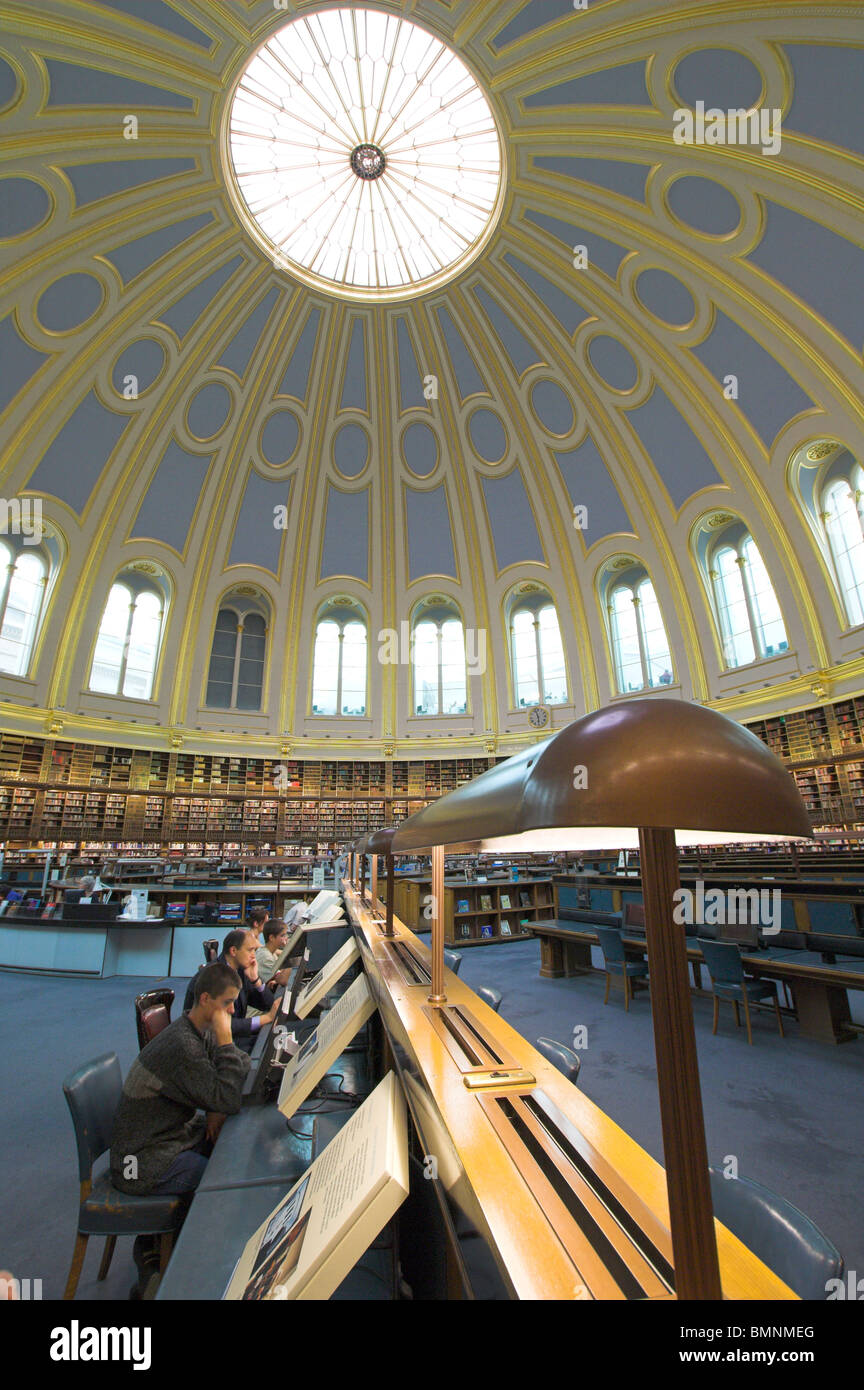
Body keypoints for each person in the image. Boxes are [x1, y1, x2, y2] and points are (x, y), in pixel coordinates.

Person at [183, 929, 288, 1051]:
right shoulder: (215, 976)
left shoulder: (240, 970)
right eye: (250, 950)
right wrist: (266, 1018)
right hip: (207, 1044)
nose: (254, 955)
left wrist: (256, 980)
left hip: (232, 1036)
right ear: (233, 951)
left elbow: (268, 1004)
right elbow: (220, 1024)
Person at [257, 918, 290, 986]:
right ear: (271, 937)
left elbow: (279, 973)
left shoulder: (270, 952)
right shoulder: (266, 957)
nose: (286, 938)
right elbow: (283, 981)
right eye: (282, 935)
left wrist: (275, 980)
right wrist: (290, 952)